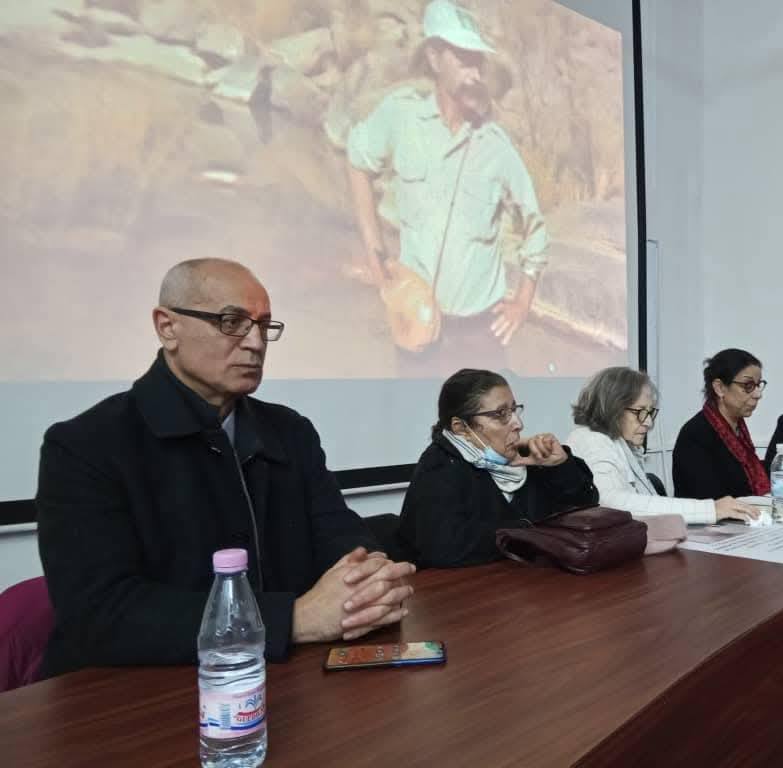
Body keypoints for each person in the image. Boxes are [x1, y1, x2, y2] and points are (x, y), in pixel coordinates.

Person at [35, 259, 414, 677]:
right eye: (232, 322)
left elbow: (337, 531)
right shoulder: (86, 445)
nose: (255, 342)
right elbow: (101, 614)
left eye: (264, 325)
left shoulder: (289, 431)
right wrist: (291, 619)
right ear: (167, 327)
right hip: (134, 695)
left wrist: (370, 579)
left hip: (286, 679)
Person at [346, 0, 548, 373]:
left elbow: (534, 226)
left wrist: (523, 301)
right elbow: (358, 161)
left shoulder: (496, 147)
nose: (474, 71)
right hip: (414, 326)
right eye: (463, 58)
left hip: (478, 335)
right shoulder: (400, 116)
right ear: (435, 58)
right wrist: (377, 259)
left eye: (477, 61)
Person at [397, 368, 597, 567]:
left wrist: (560, 465)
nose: (518, 423)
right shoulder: (439, 468)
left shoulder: (522, 455)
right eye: (501, 414)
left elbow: (585, 505)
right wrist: (528, 529)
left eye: (513, 409)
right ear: (461, 428)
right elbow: (443, 548)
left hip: (528, 582)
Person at [565, 367, 758, 525]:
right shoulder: (590, 440)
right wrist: (710, 509)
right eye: (640, 412)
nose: (648, 423)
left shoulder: (620, 443)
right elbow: (611, 503)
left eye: (650, 413)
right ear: (611, 408)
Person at [673, 349, 770, 501]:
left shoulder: (739, 430)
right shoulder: (695, 435)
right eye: (748, 385)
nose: (758, 394)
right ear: (720, 388)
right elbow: (709, 499)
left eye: (758, 385)